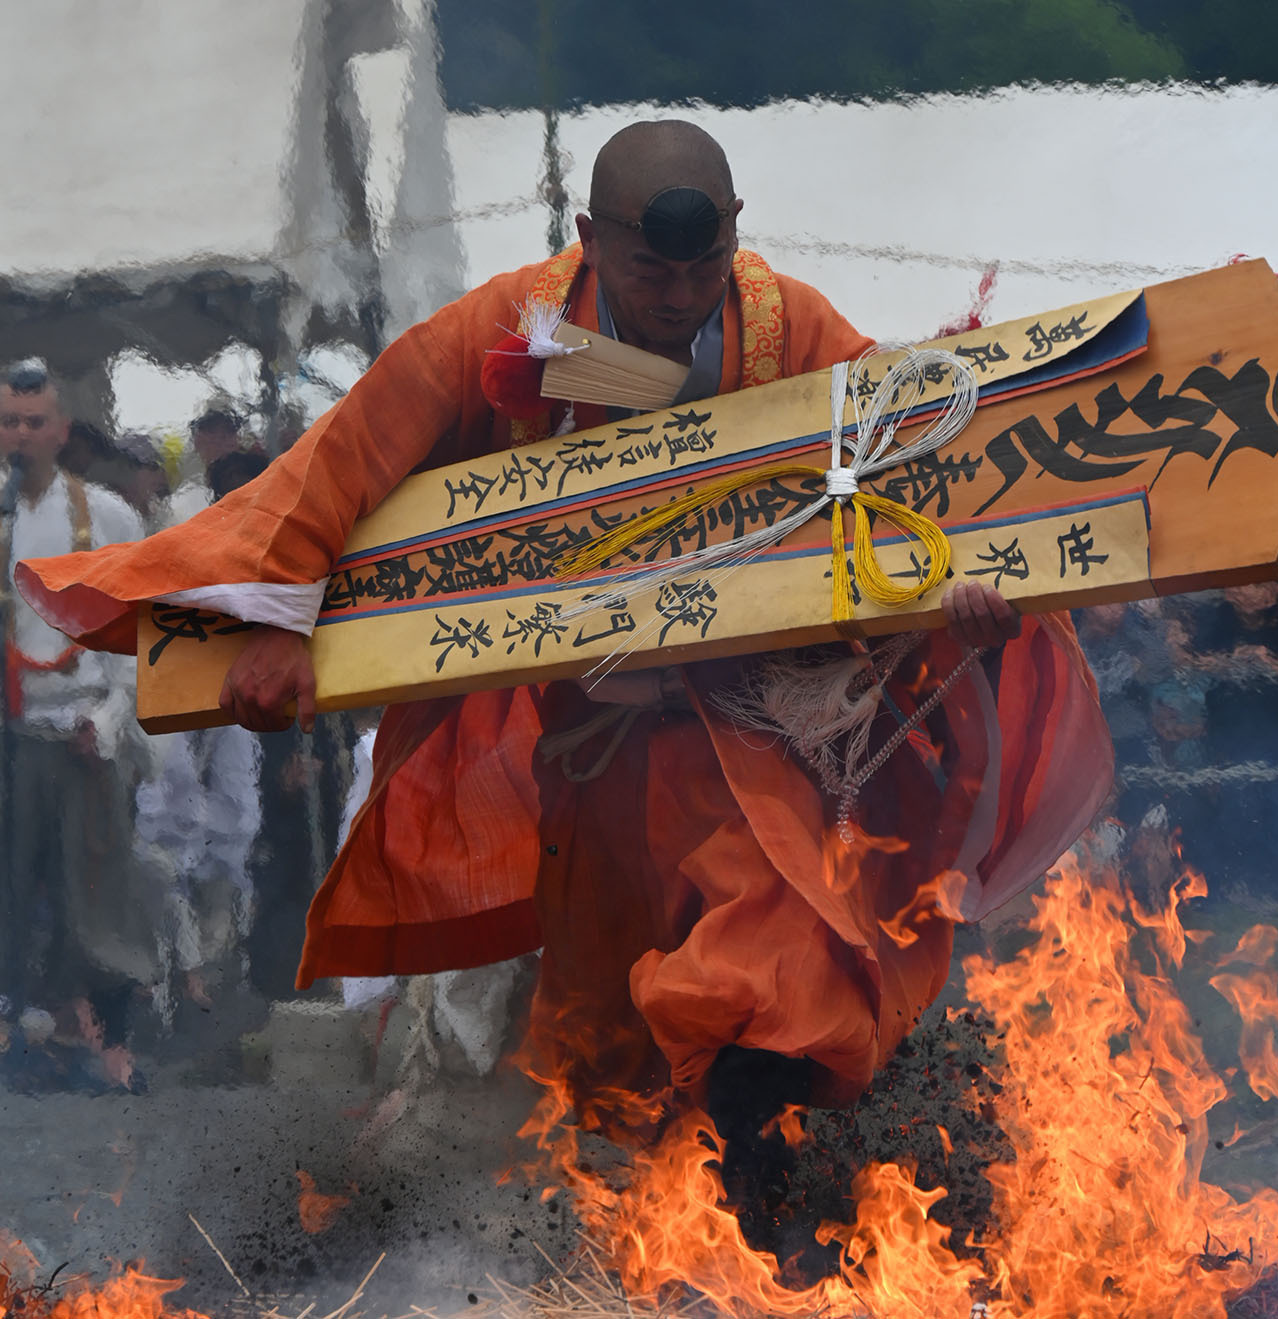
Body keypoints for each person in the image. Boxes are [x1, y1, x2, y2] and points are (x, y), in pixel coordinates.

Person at [14, 123, 1110, 1139]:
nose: (682, 294)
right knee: (602, 1046)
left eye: (706, 260)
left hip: (753, 737)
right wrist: (281, 614)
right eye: (650, 268)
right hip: (587, 749)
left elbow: (927, 475)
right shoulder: (507, 326)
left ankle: (783, 1207)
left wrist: (962, 598)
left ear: (738, 226)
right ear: (590, 239)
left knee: (777, 972)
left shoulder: (798, 333)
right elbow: (344, 457)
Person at [0, 360, 154, 1091]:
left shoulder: (110, 518)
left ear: (62, 431)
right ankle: (21, 1026)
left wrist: (109, 717)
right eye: (10, 421)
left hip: (84, 729)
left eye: (35, 422)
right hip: (13, 734)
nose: (22, 434)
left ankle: (111, 1044)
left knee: (100, 891)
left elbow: (133, 636)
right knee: (10, 887)